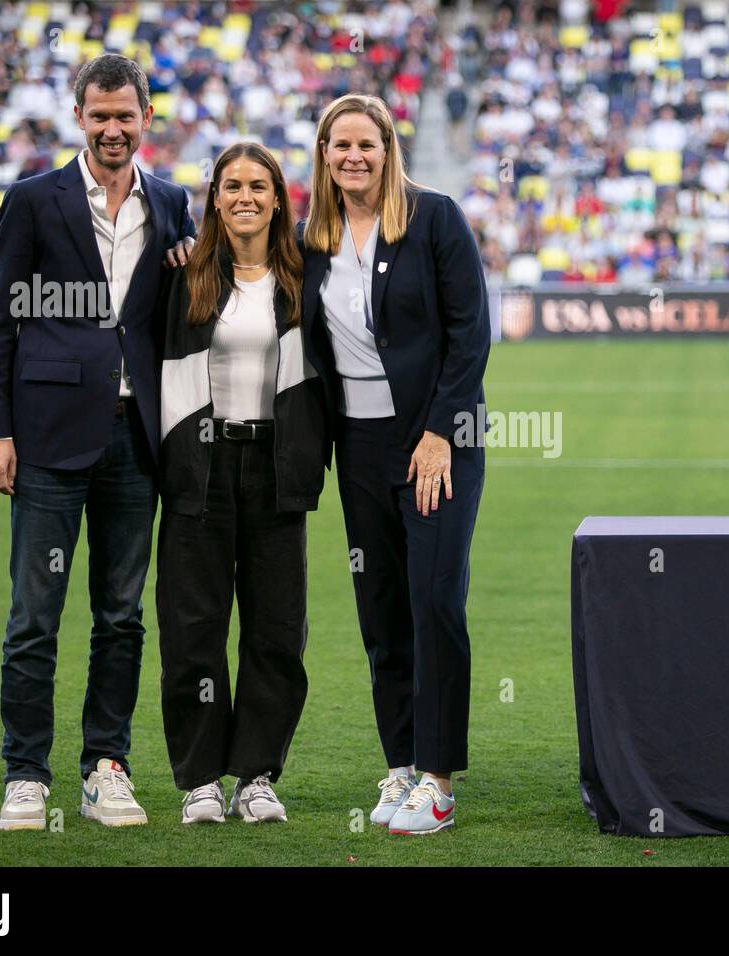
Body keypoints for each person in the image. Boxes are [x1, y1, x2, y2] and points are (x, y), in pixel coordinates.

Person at [0, 54, 195, 830]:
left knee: (122, 615)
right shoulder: (34, 200)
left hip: (137, 439)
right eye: (99, 115)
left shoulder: (172, 204)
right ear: (79, 117)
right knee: (34, 615)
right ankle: (25, 774)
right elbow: (0, 320)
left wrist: (187, 264)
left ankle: (107, 767)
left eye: (124, 116)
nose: (112, 129)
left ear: (145, 119)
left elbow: (185, 305)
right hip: (45, 440)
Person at [298, 93, 491, 835]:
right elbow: (245, 271)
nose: (352, 156)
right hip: (359, 446)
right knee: (380, 613)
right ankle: (402, 764)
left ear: (388, 150)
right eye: (338, 145)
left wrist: (440, 431)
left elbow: (470, 332)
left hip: (437, 440)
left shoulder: (434, 216)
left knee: (434, 601)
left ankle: (438, 780)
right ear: (323, 153)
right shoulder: (310, 236)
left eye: (366, 145)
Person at [155, 142, 330, 824]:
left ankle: (256, 776)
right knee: (192, 627)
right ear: (216, 198)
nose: (245, 196)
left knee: (276, 630)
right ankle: (200, 779)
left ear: (279, 198)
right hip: (200, 467)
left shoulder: (303, 276)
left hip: (276, 467)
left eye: (259, 185)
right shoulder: (183, 274)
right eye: (232, 185)